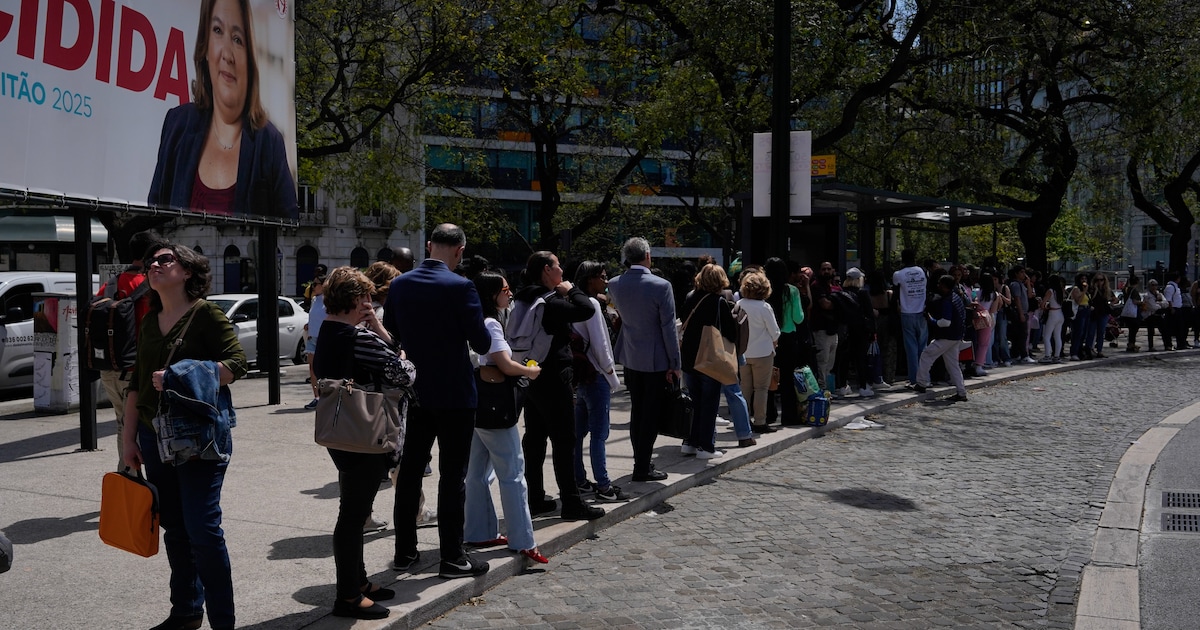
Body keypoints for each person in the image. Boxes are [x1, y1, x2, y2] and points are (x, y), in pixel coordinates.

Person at [120, 244, 248, 630]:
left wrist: (181, 375)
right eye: (151, 261)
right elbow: (137, 384)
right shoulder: (149, 320)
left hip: (199, 437)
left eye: (166, 260)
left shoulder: (205, 313)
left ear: (188, 272)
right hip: (153, 435)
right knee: (175, 528)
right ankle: (186, 612)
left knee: (202, 530)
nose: (155, 265)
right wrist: (128, 440)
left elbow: (237, 363)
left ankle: (223, 622)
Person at [383, 223, 493, 579]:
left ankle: (404, 552)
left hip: (416, 392)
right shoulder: (462, 286)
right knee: (452, 477)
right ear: (460, 251)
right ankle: (452, 557)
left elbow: (392, 333)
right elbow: (482, 342)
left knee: (410, 473)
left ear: (429, 245)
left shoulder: (400, 284)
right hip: (455, 394)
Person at [314, 267, 412, 620]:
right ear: (356, 299)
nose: (370, 302)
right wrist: (400, 353)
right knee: (353, 515)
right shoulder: (358, 338)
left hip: (343, 430)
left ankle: (359, 582)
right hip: (365, 433)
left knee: (353, 510)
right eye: (367, 296)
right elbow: (404, 373)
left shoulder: (328, 331)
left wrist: (379, 330)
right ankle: (348, 597)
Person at [148, 0, 297, 220]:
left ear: (250, 58)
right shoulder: (177, 124)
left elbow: (288, 226)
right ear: (205, 47)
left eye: (238, 39)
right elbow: (152, 217)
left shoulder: (269, 142)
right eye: (217, 30)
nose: (227, 54)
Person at [463, 271, 549, 564]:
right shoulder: (491, 324)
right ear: (492, 295)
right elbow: (505, 364)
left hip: (476, 403)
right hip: (496, 406)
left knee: (476, 472)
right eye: (505, 289)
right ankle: (523, 540)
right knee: (513, 473)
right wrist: (530, 371)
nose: (510, 293)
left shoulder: (471, 319)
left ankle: (478, 531)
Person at [514, 252, 605, 521]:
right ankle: (572, 502)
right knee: (565, 439)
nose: (562, 271)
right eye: (557, 266)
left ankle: (535, 498)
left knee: (535, 438)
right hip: (554, 376)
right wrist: (571, 290)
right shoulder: (550, 301)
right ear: (546, 270)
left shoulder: (524, 297)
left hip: (531, 372)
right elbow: (587, 309)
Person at [606, 237, 681, 482]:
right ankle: (642, 466)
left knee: (638, 411)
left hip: (630, 355)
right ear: (647, 256)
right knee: (650, 414)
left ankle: (641, 462)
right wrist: (675, 363)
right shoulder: (661, 286)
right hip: (656, 358)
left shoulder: (615, 284)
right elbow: (668, 328)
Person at [97, 230, 162, 469]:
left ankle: (127, 477)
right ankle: (129, 480)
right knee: (135, 428)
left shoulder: (110, 284)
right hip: (135, 371)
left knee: (122, 424)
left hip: (109, 369)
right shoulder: (150, 286)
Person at [571, 261, 628, 502]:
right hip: (596, 374)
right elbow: (601, 343)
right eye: (602, 276)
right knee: (599, 434)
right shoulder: (592, 304)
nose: (606, 281)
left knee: (578, 434)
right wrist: (610, 373)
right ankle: (604, 486)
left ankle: (579, 480)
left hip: (580, 376)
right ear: (590, 279)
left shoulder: (572, 301)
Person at [678, 264, 738, 459]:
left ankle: (689, 442)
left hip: (689, 356)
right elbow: (730, 333)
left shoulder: (690, 297)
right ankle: (705, 446)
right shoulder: (719, 302)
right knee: (709, 404)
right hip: (709, 358)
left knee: (693, 402)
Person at [763, 257, 805, 427]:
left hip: (768, 339)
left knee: (768, 378)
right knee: (787, 378)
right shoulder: (791, 291)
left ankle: (769, 414)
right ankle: (788, 416)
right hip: (788, 338)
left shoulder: (764, 290)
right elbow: (798, 318)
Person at [737, 270, 779, 439]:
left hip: (743, 352)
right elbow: (775, 332)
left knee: (744, 388)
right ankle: (760, 421)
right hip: (763, 352)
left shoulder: (738, 304)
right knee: (761, 388)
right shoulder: (764, 307)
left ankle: (744, 420)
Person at [913, 275, 968, 402]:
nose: (938, 286)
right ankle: (961, 392)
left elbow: (945, 322)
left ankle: (921, 383)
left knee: (927, 355)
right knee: (953, 365)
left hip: (947, 336)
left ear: (944, 286)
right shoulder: (956, 297)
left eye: (940, 284)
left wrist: (931, 320)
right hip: (956, 335)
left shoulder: (947, 301)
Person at [893, 249, 928, 388]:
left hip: (907, 311)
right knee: (923, 347)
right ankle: (925, 377)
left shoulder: (898, 274)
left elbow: (896, 292)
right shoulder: (923, 271)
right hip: (922, 311)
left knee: (911, 348)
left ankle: (914, 378)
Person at [303, 274, 327, 410]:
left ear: (324, 285)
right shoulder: (314, 299)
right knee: (312, 368)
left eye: (316, 284)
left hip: (324, 337)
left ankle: (326, 396)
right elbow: (314, 316)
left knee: (324, 368)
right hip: (312, 337)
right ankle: (316, 396)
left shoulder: (329, 300)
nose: (313, 287)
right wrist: (309, 325)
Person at [1007, 266, 1033, 363]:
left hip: (1024, 312)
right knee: (1021, 335)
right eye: (1021, 272)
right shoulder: (1015, 284)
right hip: (1019, 313)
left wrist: (1028, 283)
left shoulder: (1022, 284)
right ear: (1016, 273)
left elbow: (1030, 295)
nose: (1024, 274)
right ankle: (1022, 355)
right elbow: (1017, 299)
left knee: (1022, 334)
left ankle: (1018, 354)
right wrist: (1021, 313)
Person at [1088, 272, 1117, 359]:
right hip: (1094, 312)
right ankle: (1089, 349)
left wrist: (1111, 303)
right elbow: (1090, 299)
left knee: (1101, 332)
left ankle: (1099, 350)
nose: (1099, 282)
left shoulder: (1107, 290)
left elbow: (1115, 299)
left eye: (1101, 280)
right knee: (1091, 332)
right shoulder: (1092, 289)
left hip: (1103, 312)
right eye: (1097, 280)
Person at [1039, 275, 1066, 363]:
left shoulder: (1050, 291)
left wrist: (1044, 306)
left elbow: (1043, 304)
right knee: (1057, 336)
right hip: (1060, 313)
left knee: (1047, 336)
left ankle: (1047, 356)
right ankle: (1056, 356)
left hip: (1053, 313)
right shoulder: (1060, 291)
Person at [1068, 273, 1092, 360]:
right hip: (1079, 311)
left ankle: (1080, 351)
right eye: (1082, 279)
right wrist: (1084, 291)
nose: (1084, 280)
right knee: (1078, 332)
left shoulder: (1086, 290)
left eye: (1085, 279)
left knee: (1084, 333)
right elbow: (1078, 301)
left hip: (1086, 310)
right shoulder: (1076, 289)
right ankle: (1074, 352)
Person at [1120, 275, 1146, 352]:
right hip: (1133, 313)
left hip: (1127, 312)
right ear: (1137, 282)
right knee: (1134, 329)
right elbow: (1135, 301)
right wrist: (1141, 302)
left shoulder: (1125, 289)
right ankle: (1131, 344)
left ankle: (1131, 343)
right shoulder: (1134, 291)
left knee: (1131, 329)